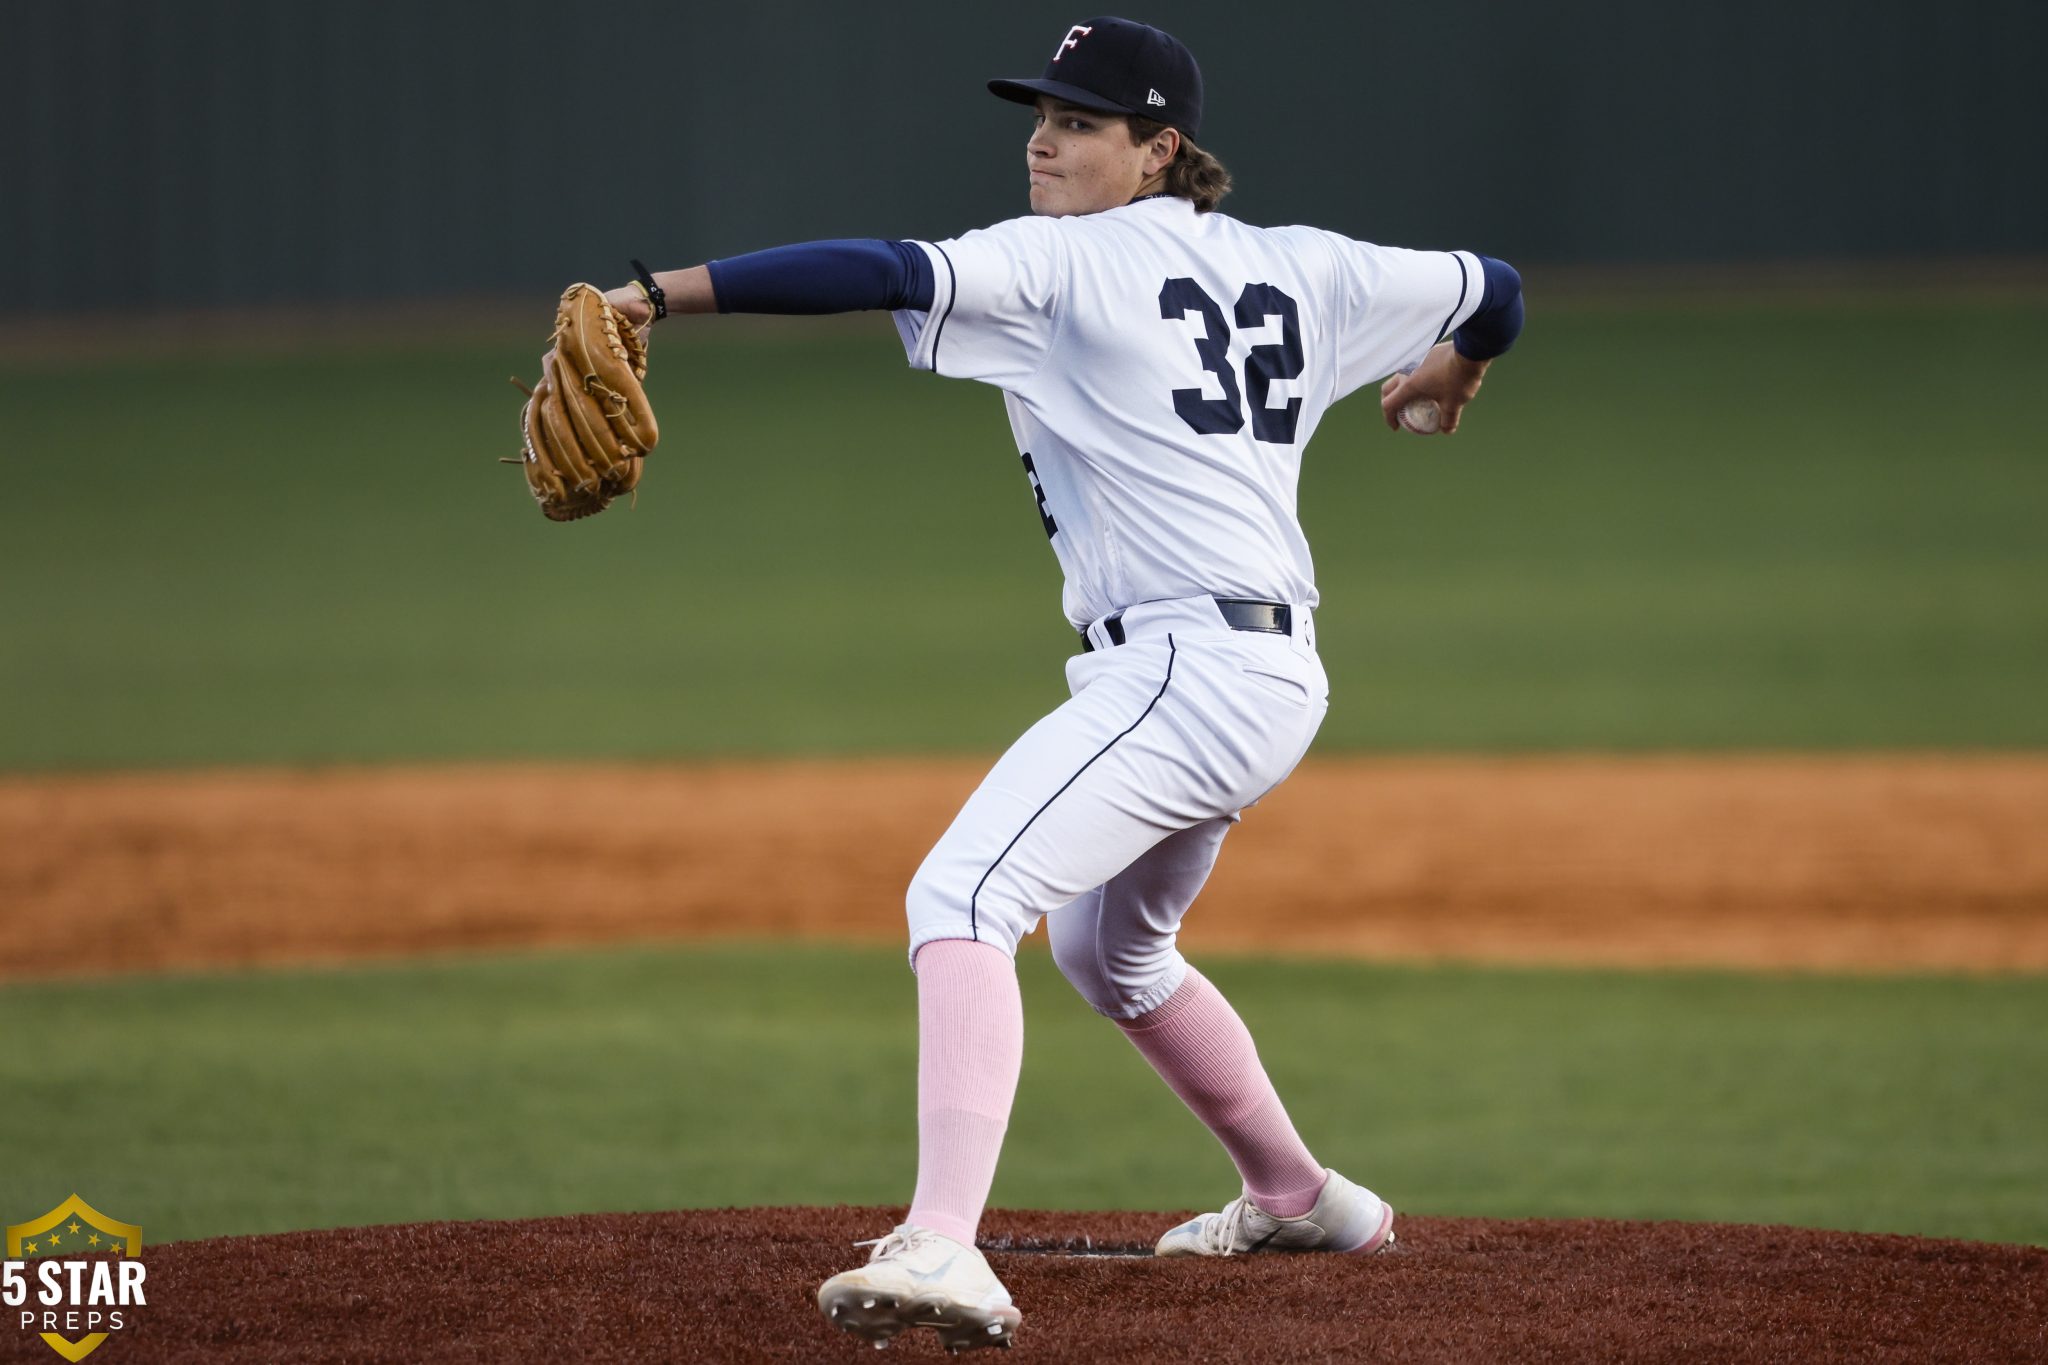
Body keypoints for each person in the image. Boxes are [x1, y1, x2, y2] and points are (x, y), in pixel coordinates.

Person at [602, 15, 1523, 1354]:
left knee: (963, 895)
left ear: (1160, 149)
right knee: (1110, 948)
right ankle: (1300, 1198)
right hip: (1266, 667)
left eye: (1080, 122)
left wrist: (656, 293)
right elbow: (1494, 285)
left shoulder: (1058, 260)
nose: (1043, 141)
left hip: (1188, 669)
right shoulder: (1307, 265)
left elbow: (878, 268)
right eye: (1040, 115)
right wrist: (1455, 371)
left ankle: (943, 1241)